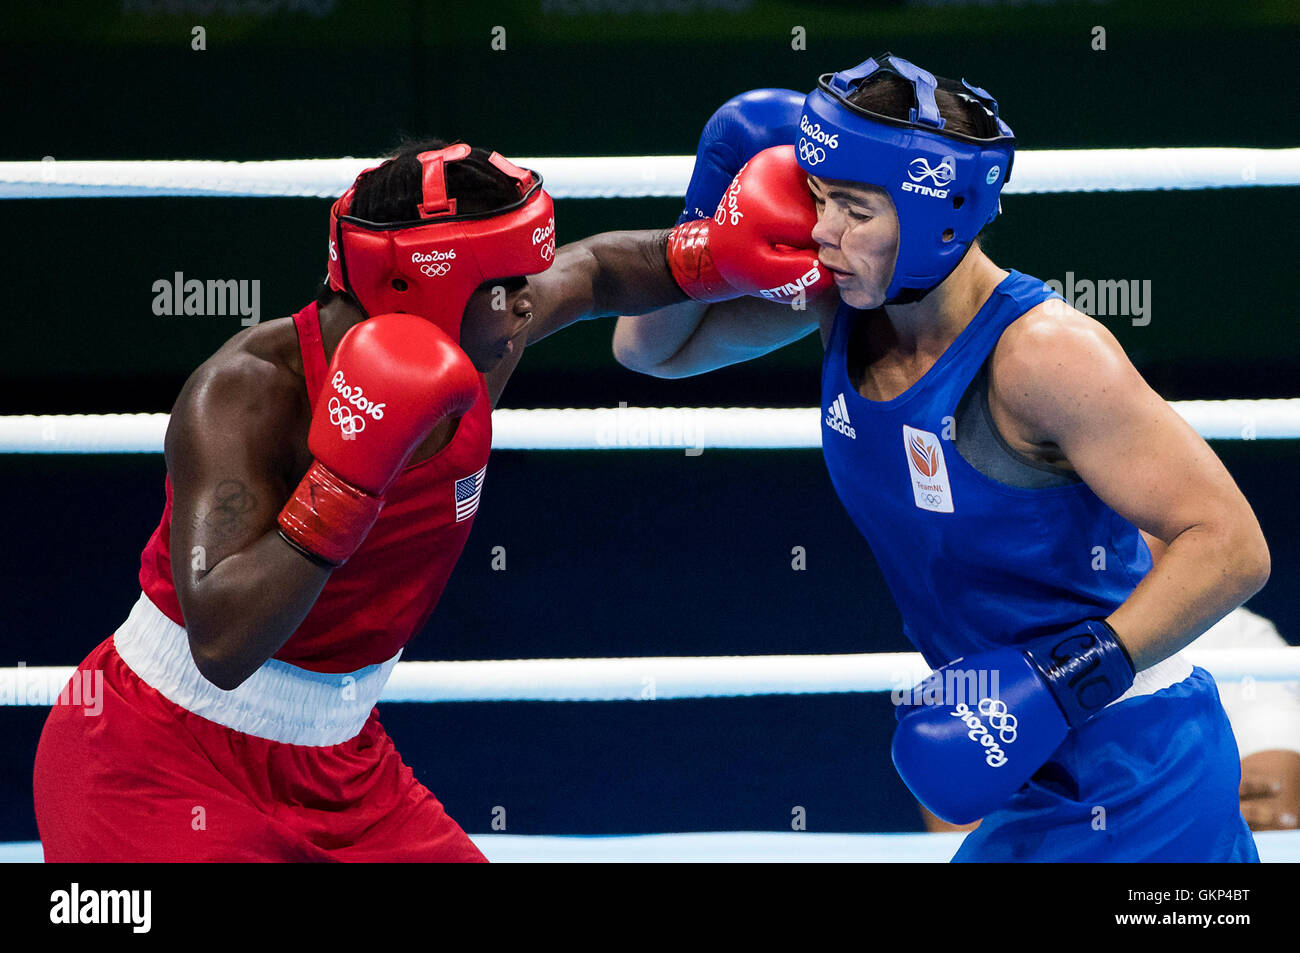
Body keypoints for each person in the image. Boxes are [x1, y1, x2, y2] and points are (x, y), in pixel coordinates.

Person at [613, 54, 1270, 861]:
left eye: (854, 208)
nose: (821, 231)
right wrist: (706, 219)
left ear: (938, 219)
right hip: (1020, 753)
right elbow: (651, 350)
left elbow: (1233, 545)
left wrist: (1067, 679)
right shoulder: (843, 300)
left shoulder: (1044, 355)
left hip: (1136, 762)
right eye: (819, 197)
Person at [33, 139, 687, 862]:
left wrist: (717, 254)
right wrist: (346, 479)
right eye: (506, 282)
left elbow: (595, 272)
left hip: (343, 764)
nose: (528, 300)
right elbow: (220, 644)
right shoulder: (247, 390)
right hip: (155, 759)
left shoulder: (484, 337)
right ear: (424, 285)